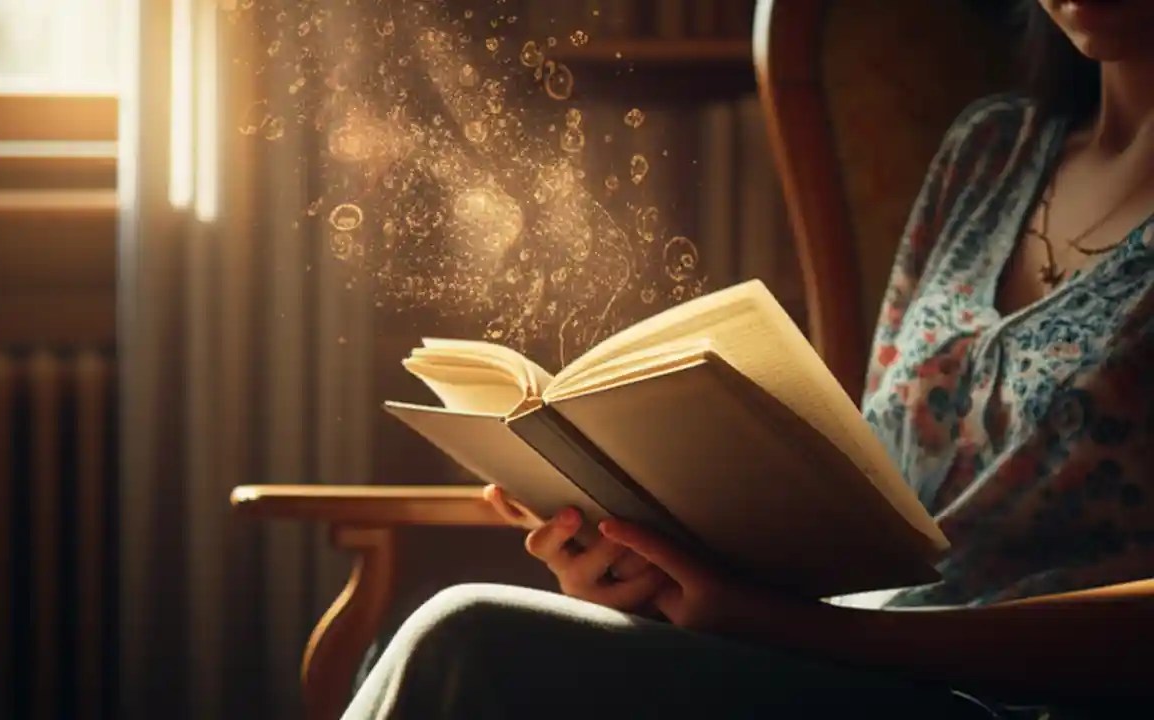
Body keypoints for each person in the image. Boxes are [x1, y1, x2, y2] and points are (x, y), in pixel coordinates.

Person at [344, 1, 1154, 716]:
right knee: (437, 647)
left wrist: (809, 632)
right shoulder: (990, 155)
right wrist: (661, 570)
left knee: (472, 642)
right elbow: (883, 487)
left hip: (1009, 696)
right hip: (833, 652)